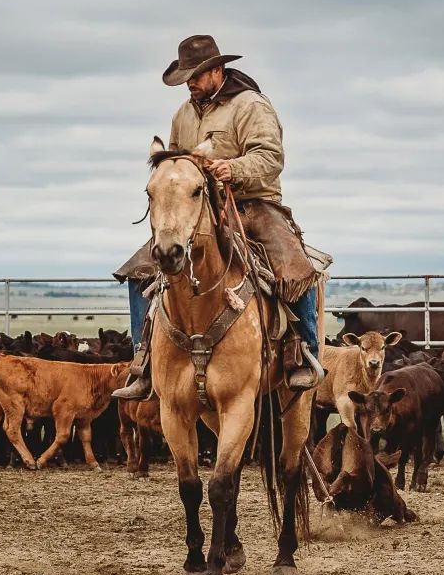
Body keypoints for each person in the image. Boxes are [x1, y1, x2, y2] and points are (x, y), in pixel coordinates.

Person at [113, 34, 329, 400]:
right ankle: (144, 361)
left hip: (253, 203)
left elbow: (271, 157)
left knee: (292, 263)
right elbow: (179, 165)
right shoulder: (182, 114)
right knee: (141, 271)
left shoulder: (251, 106)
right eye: (185, 79)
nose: (190, 85)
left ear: (217, 70)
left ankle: (303, 352)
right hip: (198, 209)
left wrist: (233, 168)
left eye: (195, 76)